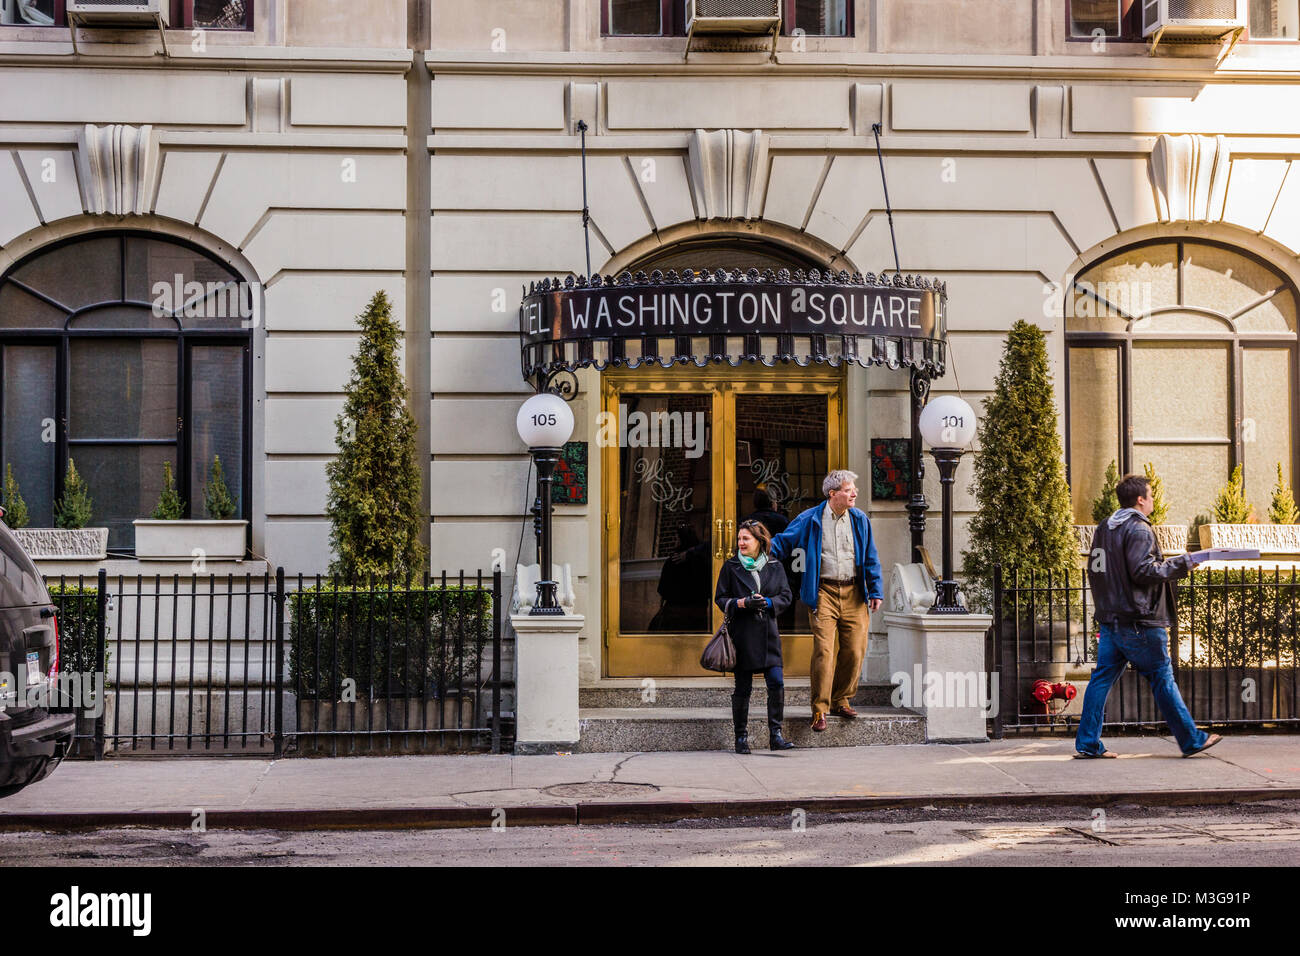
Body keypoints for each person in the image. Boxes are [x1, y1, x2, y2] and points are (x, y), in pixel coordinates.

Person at [1076, 473, 1223, 759]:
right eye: (1151, 495)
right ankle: (1191, 739)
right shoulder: (1139, 530)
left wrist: (1106, 607)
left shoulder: (1106, 526)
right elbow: (1145, 572)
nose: (1153, 499)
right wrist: (1186, 562)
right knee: (1162, 677)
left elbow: (1096, 570)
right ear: (1140, 499)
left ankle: (1088, 743)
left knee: (1101, 679)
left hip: (1112, 619)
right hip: (1140, 621)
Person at [770, 470, 883, 731]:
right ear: (833, 494)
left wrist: (875, 590)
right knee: (824, 651)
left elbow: (871, 557)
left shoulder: (860, 520)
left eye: (854, 488)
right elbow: (781, 543)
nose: (854, 493)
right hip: (824, 593)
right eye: (848, 489)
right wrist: (757, 554)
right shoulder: (810, 518)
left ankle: (841, 699)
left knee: (855, 651)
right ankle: (820, 709)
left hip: (855, 593)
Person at [714, 519, 795, 753]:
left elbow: (786, 596)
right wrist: (741, 603)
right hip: (743, 635)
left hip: (768, 634)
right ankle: (740, 738)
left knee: (777, 682)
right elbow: (720, 599)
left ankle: (776, 735)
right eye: (739, 538)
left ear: (760, 541)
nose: (741, 542)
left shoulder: (775, 565)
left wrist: (768, 602)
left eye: (745, 538)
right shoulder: (731, 567)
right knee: (743, 688)